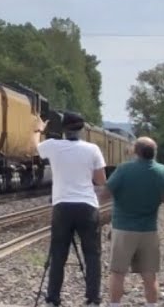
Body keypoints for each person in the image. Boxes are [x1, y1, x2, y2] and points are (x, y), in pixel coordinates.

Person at [35, 111, 106, 307]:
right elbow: (101, 180)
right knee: (92, 254)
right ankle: (93, 298)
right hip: (87, 206)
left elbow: (35, 147)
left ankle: (53, 298)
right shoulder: (93, 149)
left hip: (62, 206)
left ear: (63, 129)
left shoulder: (52, 146)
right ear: (82, 129)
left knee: (58, 254)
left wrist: (39, 130)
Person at [103, 137, 164, 307]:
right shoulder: (162, 171)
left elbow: (104, 194)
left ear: (136, 151)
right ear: (154, 152)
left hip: (123, 229)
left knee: (118, 273)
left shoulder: (124, 169)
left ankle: (115, 305)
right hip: (149, 230)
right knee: (149, 275)